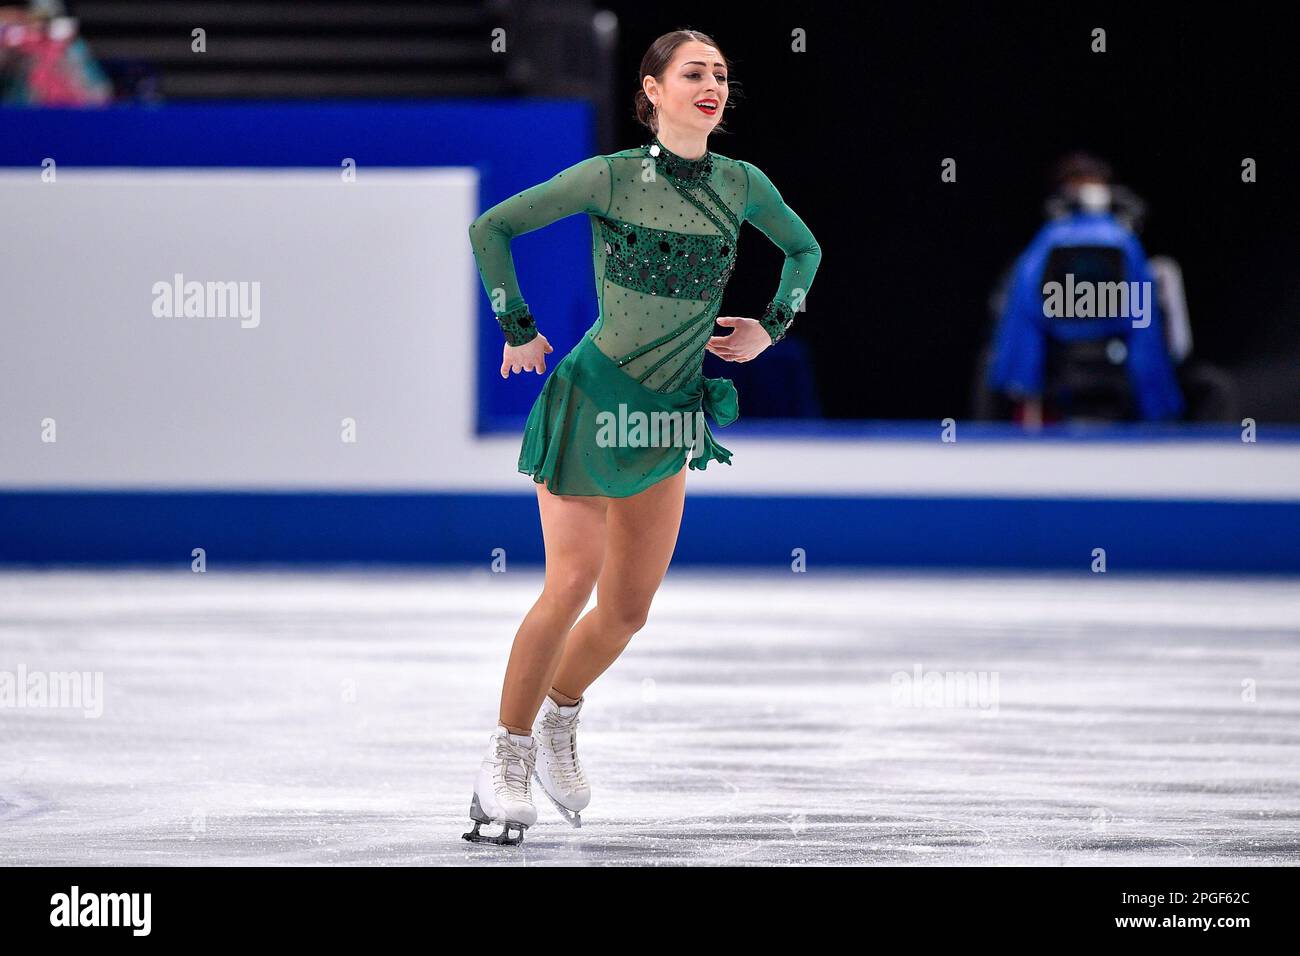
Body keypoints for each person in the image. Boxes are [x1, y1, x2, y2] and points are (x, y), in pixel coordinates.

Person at [462, 29, 821, 845]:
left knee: (626, 610)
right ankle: (505, 756)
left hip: (668, 412)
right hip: (594, 398)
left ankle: (559, 720)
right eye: (694, 72)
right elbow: (492, 228)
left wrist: (773, 324)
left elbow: (804, 249)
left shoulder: (742, 182)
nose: (713, 85)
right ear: (652, 89)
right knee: (571, 584)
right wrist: (517, 326)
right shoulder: (611, 176)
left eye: (722, 74)